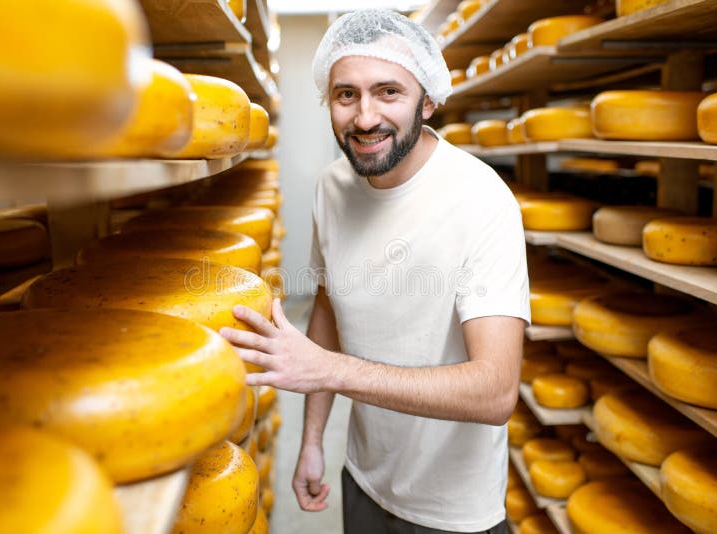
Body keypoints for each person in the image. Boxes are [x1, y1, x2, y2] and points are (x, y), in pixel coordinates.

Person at [219, 9, 529, 534]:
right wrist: (313, 439)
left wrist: (328, 369)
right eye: (346, 95)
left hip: (455, 511)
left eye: (389, 92)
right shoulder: (332, 187)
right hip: (362, 478)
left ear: (427, 99)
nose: (365, 118)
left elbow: (496, 392)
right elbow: (327, 307)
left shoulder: (482, 200)